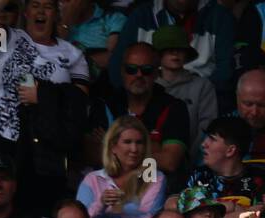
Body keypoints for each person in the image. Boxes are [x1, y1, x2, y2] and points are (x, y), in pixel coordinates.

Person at [0, 0, 91, 203]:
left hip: (45, 147)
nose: (41, 11)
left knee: (36, 211)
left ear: (56, 14)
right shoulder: (8, 39)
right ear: (26, 12)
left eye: (48, 6)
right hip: (2, 139)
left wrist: (43, 95)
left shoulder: (72, 54)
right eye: (35, 5)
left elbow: (79, 105)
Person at [89, 43, 190, 183]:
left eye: (146, 70)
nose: (138, 75)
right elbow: (92, 154)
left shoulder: (174, 107)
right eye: (131, 69)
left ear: (156, 73)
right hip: (110, 190)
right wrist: (152, 147)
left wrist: (113, 146)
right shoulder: (105, 104)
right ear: (122, 72)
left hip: (158, 190)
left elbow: (169, 162)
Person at [110, 0, 237, 107]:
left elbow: (226, 73)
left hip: (199, 99)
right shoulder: (142, 16)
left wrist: (196, 94)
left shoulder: (219, 17)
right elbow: (117, 68)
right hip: (148, 99)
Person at [77, 116, 167, 218]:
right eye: (127, 142)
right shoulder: (93, 180)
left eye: (139, 143)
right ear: (113, 146)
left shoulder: (155, 178)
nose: (134, 149)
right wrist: (100, 204)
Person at [186, 116, 265, 218]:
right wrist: (232, 208)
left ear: (230, 150)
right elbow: (181, 213)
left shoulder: (261, 177)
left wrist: (209, 214)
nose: (204, 144)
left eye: (212, 139)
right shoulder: (196, 176)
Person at [153, 24, 218, 164]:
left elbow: (207, 128)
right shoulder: (148, 85)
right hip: (153, 164)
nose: (175, 53)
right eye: (169, 49)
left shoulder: (202, 86)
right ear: (158, 54)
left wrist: (188, 160)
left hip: (192, 164)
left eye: (180, 49)